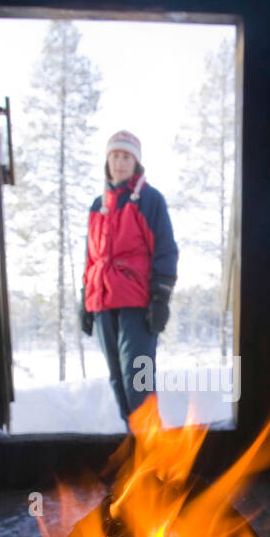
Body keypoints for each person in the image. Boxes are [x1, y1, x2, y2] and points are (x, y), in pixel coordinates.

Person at [80, 130, 178, 429]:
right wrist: (84, 301)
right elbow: (91, 258)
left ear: (136, 163)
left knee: (138, 378)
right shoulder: (98, 206)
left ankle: (155, 456)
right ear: (107, 162)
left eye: (126, 157)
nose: (120, 163)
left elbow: (165, 249)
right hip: (102, 303)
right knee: (118, 381)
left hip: (137, 303)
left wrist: (160, 298)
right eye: (115, 157)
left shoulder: (150, 199)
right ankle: (138, 448)